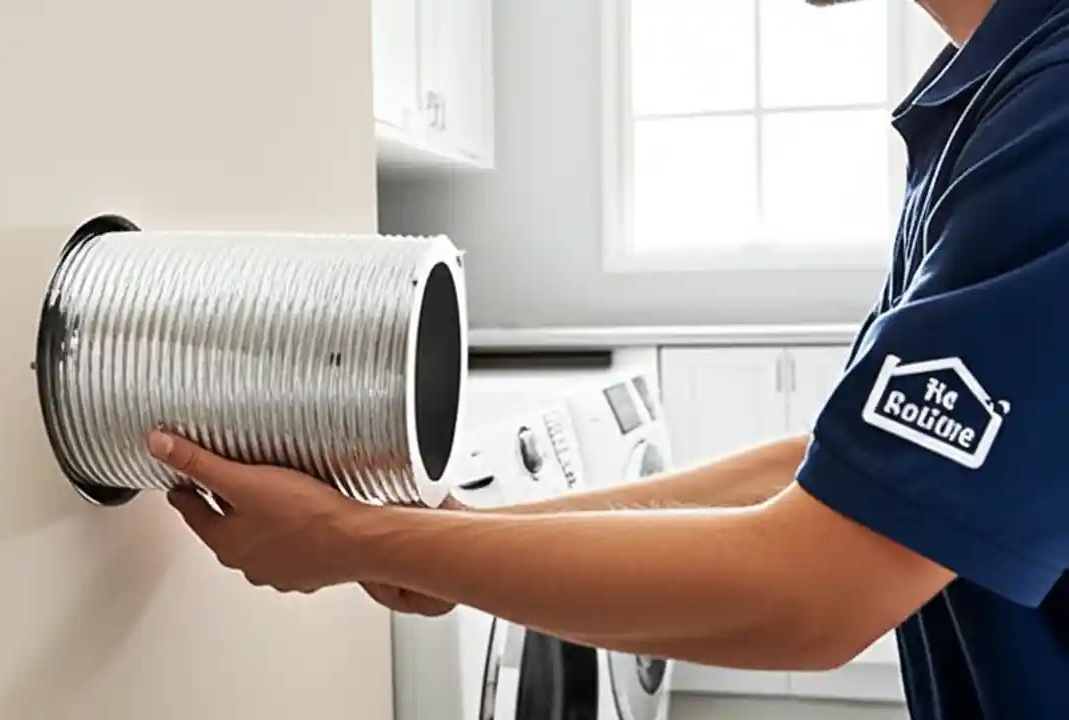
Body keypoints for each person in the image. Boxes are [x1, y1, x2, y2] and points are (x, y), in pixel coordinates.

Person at [148, 1, 1069, 717]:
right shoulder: (994, 98)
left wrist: (358, 538)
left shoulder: (1052, 116)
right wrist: (467, 533)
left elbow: (820, 585)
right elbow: (848, 477)